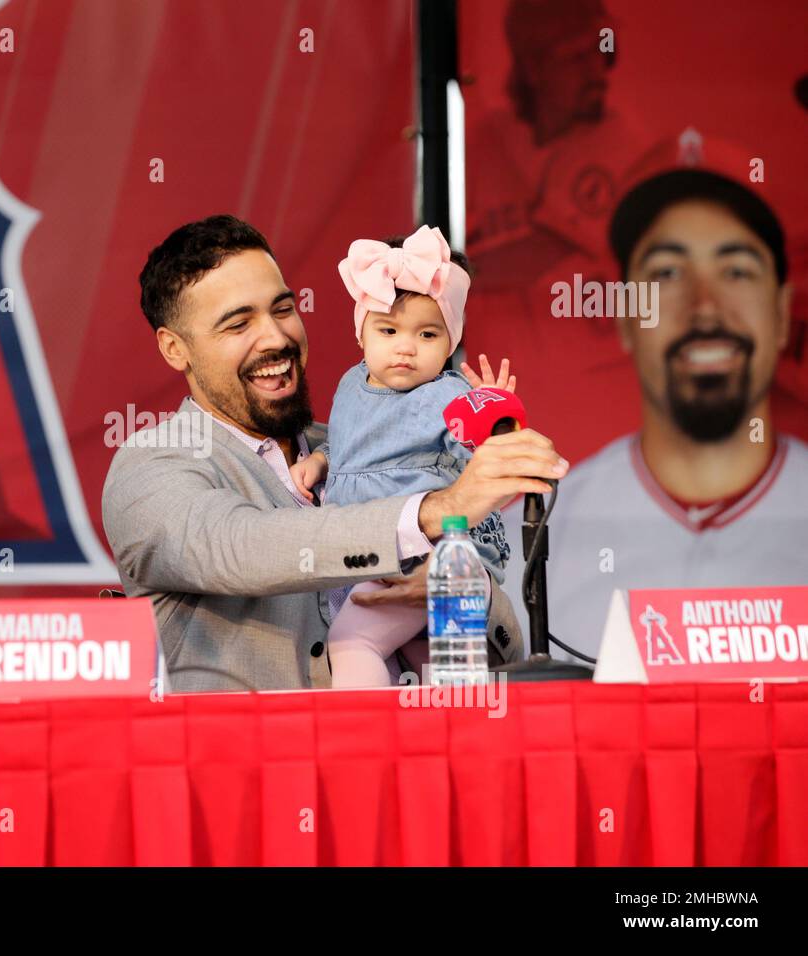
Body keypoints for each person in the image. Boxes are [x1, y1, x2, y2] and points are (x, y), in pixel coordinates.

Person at [101, 215, 568, 692]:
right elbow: (240, 545)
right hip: (259, 762)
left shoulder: (355, 444)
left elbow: (505, 652)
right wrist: (431, 513)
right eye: (239, 323)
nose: (276, 337)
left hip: (421, 754)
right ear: (175, 348)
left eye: (282, 310)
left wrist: (464, 586)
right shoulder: (149, 467)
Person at [501, 168, 808, 661]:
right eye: (666, 273)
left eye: (737, 270)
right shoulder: (533, 541)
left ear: (780, 313)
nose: (706, 308)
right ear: (625, 319)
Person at [288, 226, 516, 687]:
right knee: (423, 658)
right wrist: (323, 461)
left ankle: (369, 746)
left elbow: (485, 467)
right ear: (362, 336)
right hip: (363, 551)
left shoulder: (448, 396)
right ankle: (438, 736)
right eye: (388, 330)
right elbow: (353, 446)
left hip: (418, 555)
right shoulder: (351, 385)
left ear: (450, 345)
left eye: (428, 334)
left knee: (353, 642)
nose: (405, 347)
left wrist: (495, 422)